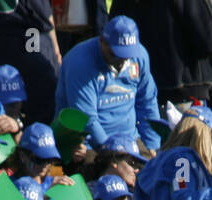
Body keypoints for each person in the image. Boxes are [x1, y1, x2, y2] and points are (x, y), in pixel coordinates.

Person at [54, 15, 162, 155]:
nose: (121, 62)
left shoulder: (139, 56)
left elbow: (147, 101)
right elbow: (87, 119)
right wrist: (113, 154)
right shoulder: (80, 63)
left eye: (126, 56)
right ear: (102, 41)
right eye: (115, 54)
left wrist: (152, 144)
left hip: (130, 138)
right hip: (89, 143)